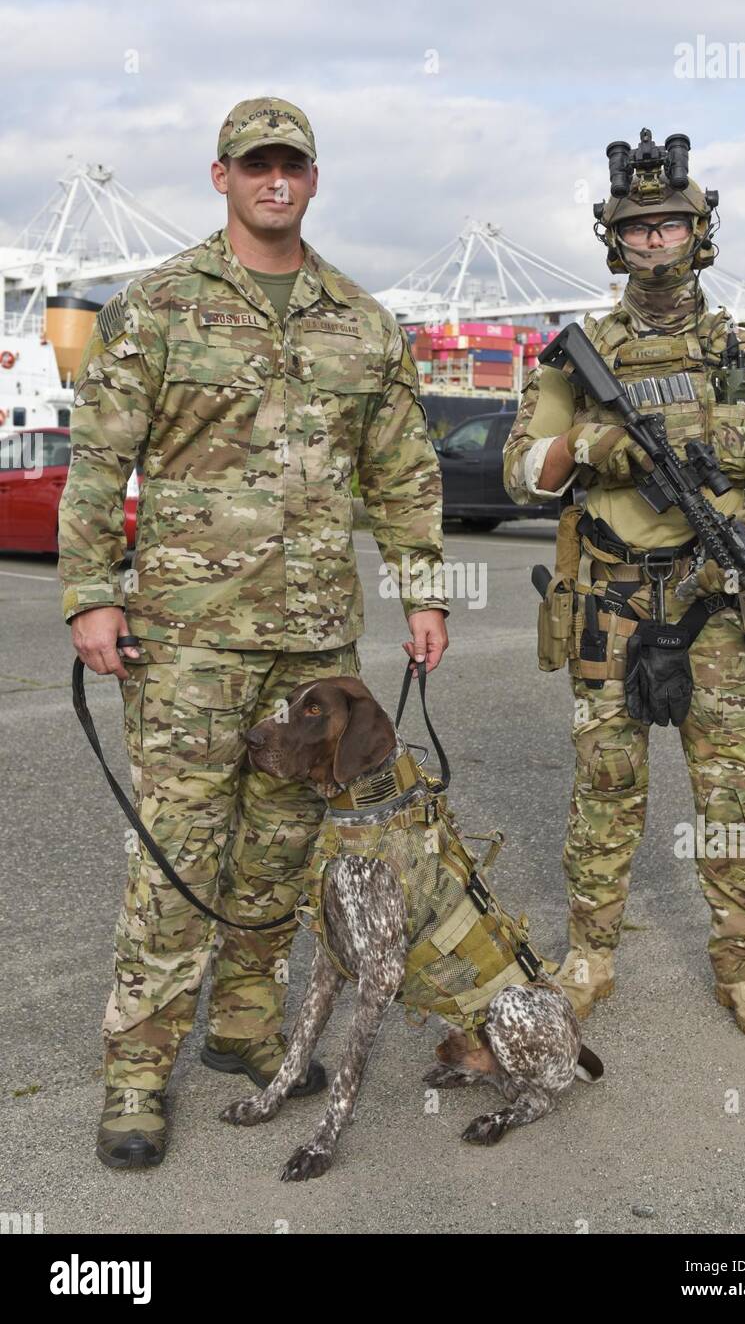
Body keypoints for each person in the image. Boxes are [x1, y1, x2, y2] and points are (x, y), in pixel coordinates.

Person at [59, 96, 449, 1168]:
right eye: (255, 164)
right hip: (184, 637)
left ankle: (242, 1025)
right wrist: (91, 593)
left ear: (312, 181)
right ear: (221, 175)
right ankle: (138, 1069)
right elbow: (98, 461)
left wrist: (424, 591)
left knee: (281, 850)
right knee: (177, 849)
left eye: (292, 165)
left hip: (312, 641)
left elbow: (403, 473)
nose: (275, 180)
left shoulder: (360, 320)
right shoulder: (159, 306)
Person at [503, 128, 745, 1042]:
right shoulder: (577, 358)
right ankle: (589, 957)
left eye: (669, 226)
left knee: (731, 795)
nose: (655, 242)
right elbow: (523, 472)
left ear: (699, 234)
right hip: (611, 600)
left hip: (719, 609)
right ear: (615, 241)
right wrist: (592, 447)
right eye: (638, 228)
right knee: (603, 787)